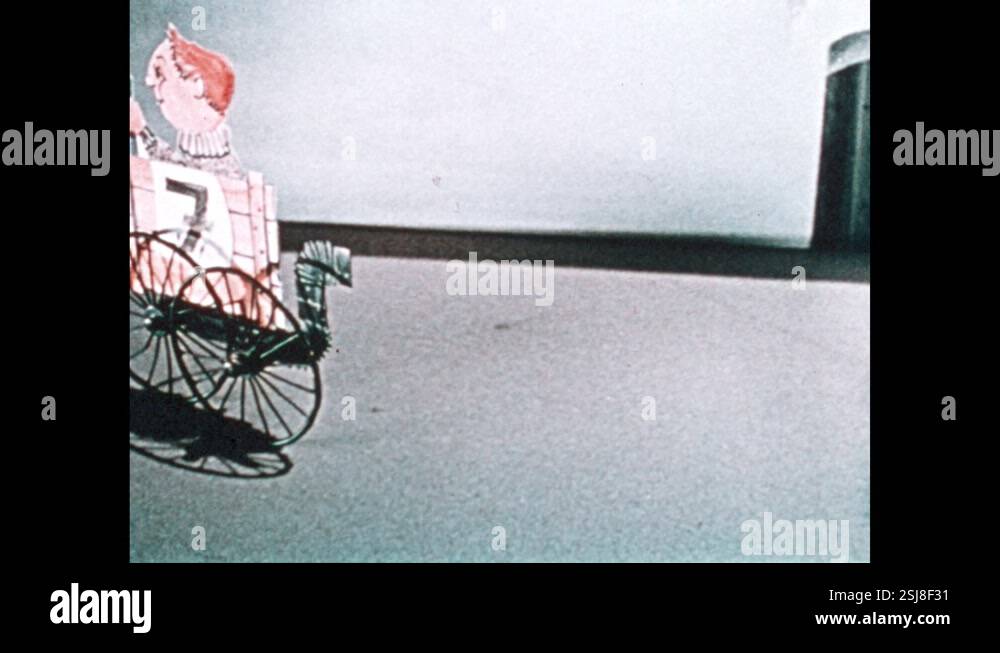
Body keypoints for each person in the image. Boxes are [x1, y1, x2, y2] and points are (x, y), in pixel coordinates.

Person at [129, 24, 244, 178]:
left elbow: (180, 176)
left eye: (159, 72)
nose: (150, 82)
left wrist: (143, 131)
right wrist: (141, 131)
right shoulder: (198, 151)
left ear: (196, 85)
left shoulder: (219, 166)